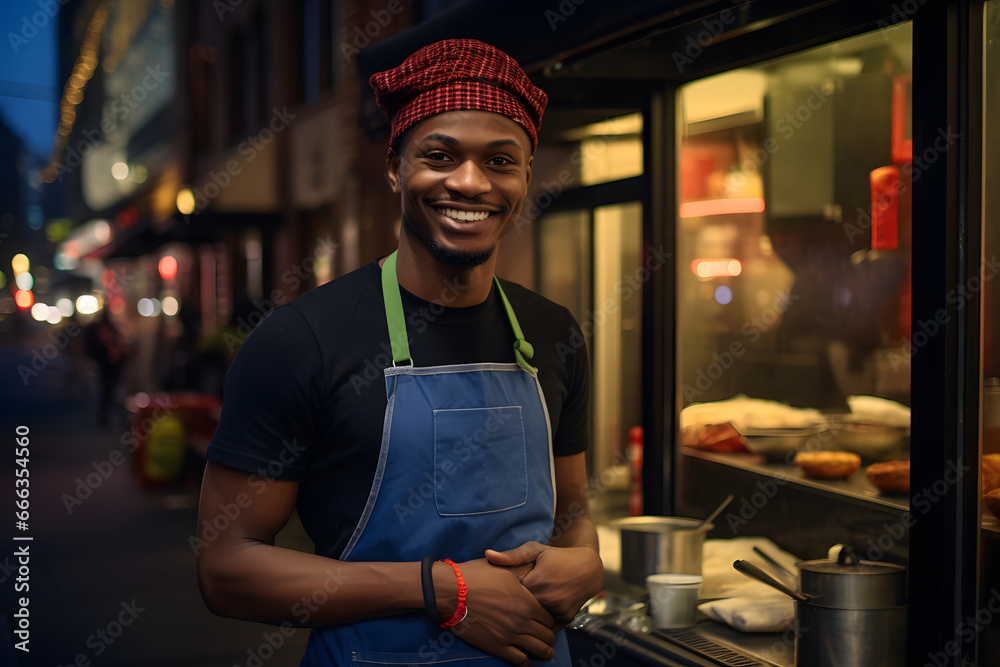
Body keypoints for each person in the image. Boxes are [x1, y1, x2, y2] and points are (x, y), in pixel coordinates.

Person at [196, 38, 603, 666]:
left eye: (500, 160)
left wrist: (587, 561)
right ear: (394, 167)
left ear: (526, 175)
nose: (469, 182)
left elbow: (573, 515)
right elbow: (226, 568)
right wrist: (442, 589)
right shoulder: (302, 340)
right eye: (439, 155)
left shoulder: (552, 332)